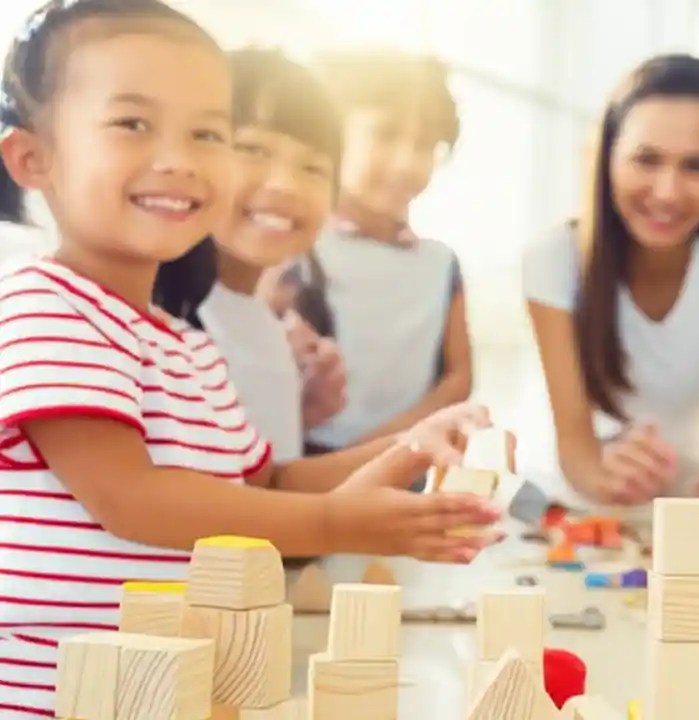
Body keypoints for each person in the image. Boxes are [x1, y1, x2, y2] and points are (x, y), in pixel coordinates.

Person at [0, 2, 500, 714]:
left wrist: (408, 449)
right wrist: (337, 522)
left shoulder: (185, 345)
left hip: (173, 693)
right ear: (33, 158)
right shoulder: (44, 306)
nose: (178, 158)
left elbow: (267, 480)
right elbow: (130, 498)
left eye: (208, 132)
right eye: (133, 123)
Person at [522, 54, 699, 515]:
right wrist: (606, 471)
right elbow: (576, 452)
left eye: (696, 166)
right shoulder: (554, 257)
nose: (667, 192)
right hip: (559, 505)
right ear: (607, 158)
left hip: (688, 505)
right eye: (646, 160)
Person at [294, 49, 471, 452]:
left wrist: (387, 449)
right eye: (385, 134)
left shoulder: (440, 264)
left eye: (425, 144)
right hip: (306, 470)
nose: (406, 162)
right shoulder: (300, 250)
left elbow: (458, 377)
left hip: (408, 461)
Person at [190, 47, 346, 462]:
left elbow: (262, 479)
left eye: (314, 168)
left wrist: (302, 413)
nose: (286, 185)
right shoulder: (167, 322)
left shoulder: (264, 327)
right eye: (253, 149)